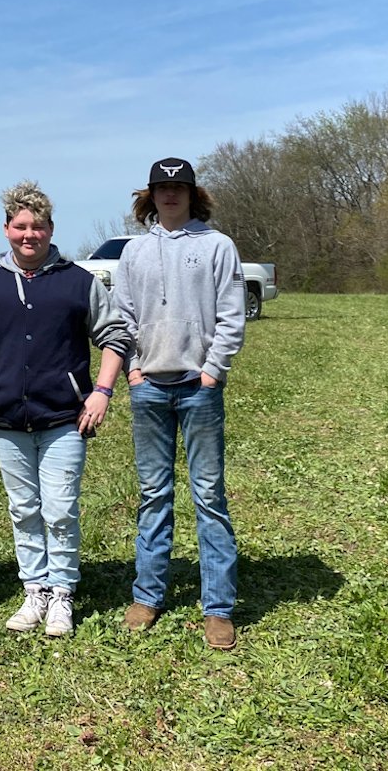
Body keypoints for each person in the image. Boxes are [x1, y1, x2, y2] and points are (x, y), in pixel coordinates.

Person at [0, 181, 127, 637]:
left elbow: (115, 337)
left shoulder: (78, 281)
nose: (30, 235)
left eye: (39, 226)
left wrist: (101, 392)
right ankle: (35, 590)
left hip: (65, 417)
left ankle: (63, 594)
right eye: (20, 226)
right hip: (6, 418)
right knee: (23, 507)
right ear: (6, 229)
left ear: (51, 229)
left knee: (61, 508)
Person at [112, 156, 246, 650]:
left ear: (192, 195)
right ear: (149, 196)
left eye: (179, 188)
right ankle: (147, 596)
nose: (171, 195)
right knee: (153, 494)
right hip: (148, 385)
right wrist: (131, 367)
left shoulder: (216, 246)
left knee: (208, 495)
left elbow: (232, 315)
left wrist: (213, 371)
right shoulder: (134, 252)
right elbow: (121, 317)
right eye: (162, 189)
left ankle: (218, 608)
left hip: (198, 386)